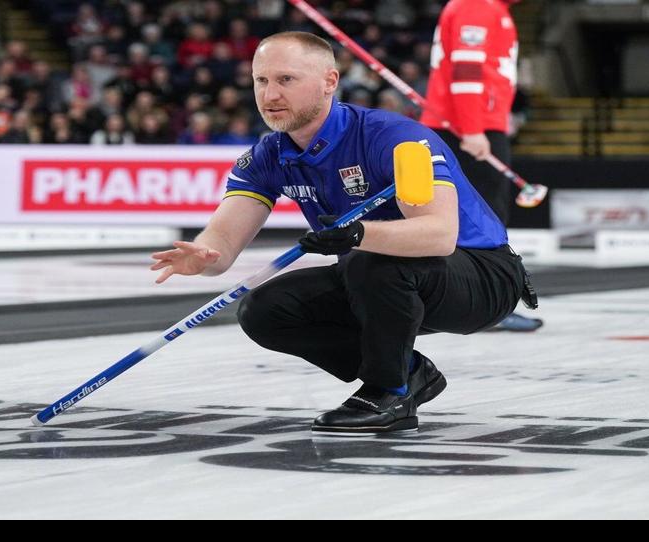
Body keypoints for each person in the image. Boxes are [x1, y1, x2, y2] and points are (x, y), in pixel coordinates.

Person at [148, 33, 536, 434]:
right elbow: (222, 244)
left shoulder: (391, 137)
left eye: (286, 80)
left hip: (482, 276)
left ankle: (389, 391)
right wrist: (202, 257)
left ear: (330, 81)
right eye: (261, 81)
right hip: (376, 276)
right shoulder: (269, 156)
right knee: (265, 310)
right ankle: (412, 372)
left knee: (371, 261)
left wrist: (357, 235)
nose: (270, 95)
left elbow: (438, 235)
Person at [419, 0, 542, 332]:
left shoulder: (481, 6)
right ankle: (488, 308)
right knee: (484, 222)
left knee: (462, 220)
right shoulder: (477, 5)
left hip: (468, 123)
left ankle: (465, 305)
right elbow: (467, 71)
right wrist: (474, 127)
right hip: (468, 129)